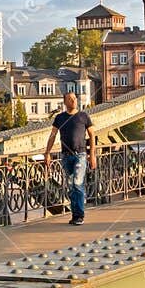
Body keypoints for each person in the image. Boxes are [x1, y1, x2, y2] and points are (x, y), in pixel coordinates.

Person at [44, 91, 92, 225]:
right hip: (65, 156)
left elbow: (92, 135)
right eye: (70, 99)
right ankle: (75, 214)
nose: (73, 101)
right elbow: (53, 135)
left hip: (80, 155)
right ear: (65, 102)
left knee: (77, 183)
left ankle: (80, 215)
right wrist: (47, 153)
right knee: (71, 186)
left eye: (74, 99)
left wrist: (92, 155)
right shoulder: (60, 118)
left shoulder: (83, 116)